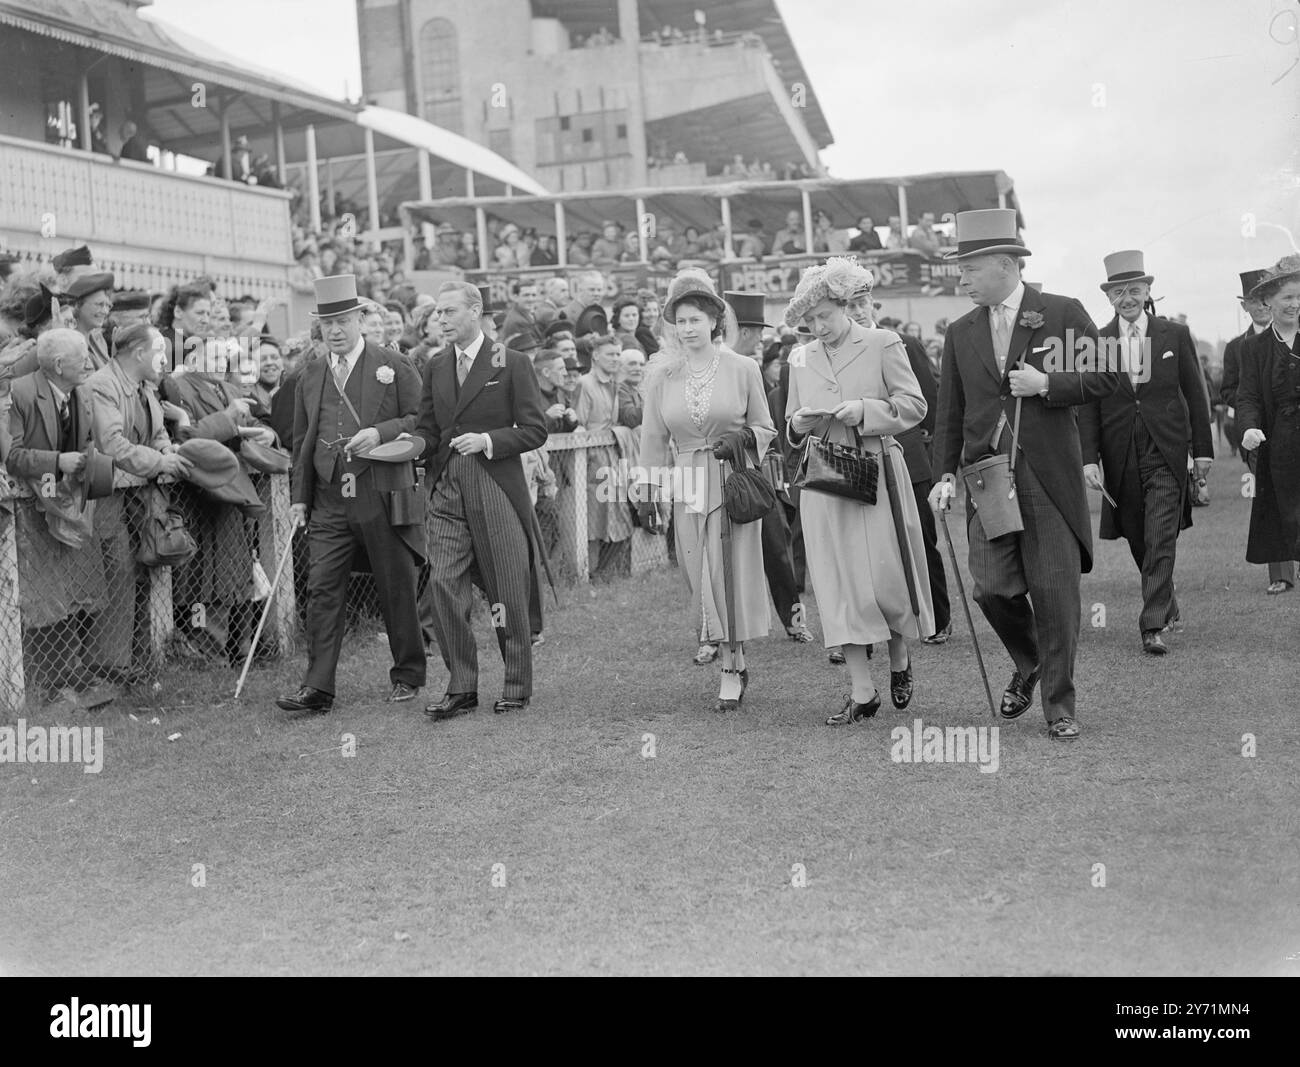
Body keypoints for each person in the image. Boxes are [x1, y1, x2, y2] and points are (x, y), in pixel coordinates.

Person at [929, 210, 1120, 742]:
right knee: (990, 588)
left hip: (1047, 475)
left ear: (1006, 265)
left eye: (968, 269)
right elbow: (950, 409)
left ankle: (1059, 706)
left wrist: (1046, 384)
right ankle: (1031, 660)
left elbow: (1106, 375)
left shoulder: (1060, 312)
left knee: (1055, 591)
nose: (960, 279)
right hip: (986, 474)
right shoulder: (960, 331)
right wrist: (945, 473)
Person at [785, 261, 934, 725]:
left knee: (881, 576)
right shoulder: (801, 358)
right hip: (825, 478)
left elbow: (914, 405)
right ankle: (861, 690)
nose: (818, 328)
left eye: (824, 316)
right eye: (809, 321)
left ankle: (899, 656)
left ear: (844, 306)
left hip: (876, 470)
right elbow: (789, 422)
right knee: (836, 580)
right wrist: (798, 424)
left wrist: (865, 410)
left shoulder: (882, 343)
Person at [276, 275, 427, 713]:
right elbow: (303, 439)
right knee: (322, 588)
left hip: (380, 492)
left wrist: (378, 433)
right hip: (328, 501)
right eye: (327, 323)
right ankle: (318, 687)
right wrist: (300, 497)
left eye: (343, 320)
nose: (335, 330)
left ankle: (408, 673)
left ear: (361, 319)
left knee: (395, 584)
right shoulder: (312, 373)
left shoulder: (392, 365)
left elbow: (420, 420)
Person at [637, 269, 776, 711]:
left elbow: (765, 427)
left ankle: (732, 665)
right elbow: (653, 439)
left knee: (726, 570)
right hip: (686, 481)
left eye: (696, 319)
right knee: (698, 572)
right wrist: (648, 488)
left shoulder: (743, 368)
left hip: (730, 480)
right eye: (680, 321)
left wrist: (742, 439)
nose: (688, 328)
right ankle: (723, 647)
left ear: (715, 321)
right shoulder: (663, 375)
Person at [416, 281, 548, 719]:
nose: (442, 320)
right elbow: (428, 430)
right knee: (443, 582)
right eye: (438, 313)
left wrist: (488, 440)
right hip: (447, 485)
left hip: (495, 482)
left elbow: (535, 429)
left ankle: (516, 685)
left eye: (450, 311)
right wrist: (402, 444)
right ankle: (462, 686)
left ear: (476, 311)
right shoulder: (435, 367)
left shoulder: (511, 362)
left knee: (506, 586)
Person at [1078, 250, 1214, 654]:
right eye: (1119, 292)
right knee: (1138, 534)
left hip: (1166, 449)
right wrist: (1089, 458)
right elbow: (1088, 405)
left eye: (1134, 289)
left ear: (1147, 290)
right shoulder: (1096, 341)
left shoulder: (1174, 335)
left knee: (1159, 533)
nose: (1128, 298)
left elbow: (1195, 393)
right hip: (1120, 452)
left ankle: (1151, 624)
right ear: (1109, 297)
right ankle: (1166, 600)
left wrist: (1202, 451)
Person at [6, 329, 111, 704]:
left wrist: (87, 462)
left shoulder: (82, 392)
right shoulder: (18, 393)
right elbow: (12, 457)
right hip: (31, 511)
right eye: (82, 356)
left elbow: (87, 444)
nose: (89, 362)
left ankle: (72, 673)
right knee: (42, 596)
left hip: (69, 509)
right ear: (58, 364)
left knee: (75, 590)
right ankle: (47, 683)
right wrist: (57, 462)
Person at [843, 283, 951, 646]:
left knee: (920, 537)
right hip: (857, 462)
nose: (857, 311)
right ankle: (882, 624)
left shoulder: (902, 342)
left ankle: (937, 618)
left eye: (861, 304)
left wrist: (934, 455)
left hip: (910, 457)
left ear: (873, 304)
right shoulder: (836, 353)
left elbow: (931, 403)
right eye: (849, 306)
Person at [86, 322, 191, 682]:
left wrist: (166, 450)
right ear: (140, 353)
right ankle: (109, 668)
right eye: (159, 350)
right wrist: (160, 462)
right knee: (118, 575)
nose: (165, 358)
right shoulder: (102, 384)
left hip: (143, 498)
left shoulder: (147, 385)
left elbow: (158, 430)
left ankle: (139, 663)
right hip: (109, 499)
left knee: (147, 573)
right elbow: (111, 445)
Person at [724, 290, 814, 651]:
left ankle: (794, 621)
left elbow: (770, 426)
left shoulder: (754, 371)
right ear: (741, 331)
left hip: (760, 473)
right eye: (757, 334)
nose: (761, 342)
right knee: (717, 557)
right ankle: (713, 633)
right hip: (721, 471)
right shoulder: (719, 368)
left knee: (777, 547)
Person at [1237, 256, 1300, 596]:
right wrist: (1248, 428)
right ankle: (1285, 573)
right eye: (1288, 297)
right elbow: (1247, 397)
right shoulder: (1254, 349)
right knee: (1287, 519)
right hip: (1280, 449)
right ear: (1269, 301)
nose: (1295, 304)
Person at [576, 334, 636, 580]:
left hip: (614, 459)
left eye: (617, 354)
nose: (615, 359)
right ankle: (585, 574)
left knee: (617, 514)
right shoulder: (584, 384)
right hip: (590, 463)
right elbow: (578, 425)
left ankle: (604, 573)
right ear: (595, 356)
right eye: (610, 354)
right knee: (593, 519)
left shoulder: (615, 384)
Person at [1222, 268, 1273, 461]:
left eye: (1265, 299)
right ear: (1244, 306)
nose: (1261, 306)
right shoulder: (1235, 347)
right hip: (1253, 433)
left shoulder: (1291, 339)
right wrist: (1252, 407)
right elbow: (1228, 390)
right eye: (1253, 301)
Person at [66, 272, 115, 369]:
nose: (105, 311)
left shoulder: (98, 340)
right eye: (99, 304)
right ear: (78, 305)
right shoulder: (69, 342)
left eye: (108, 306)